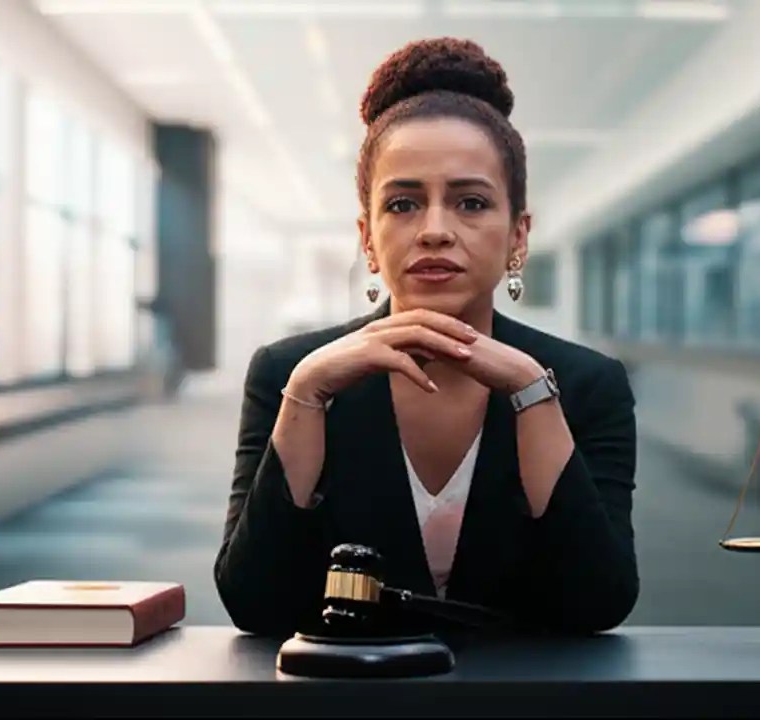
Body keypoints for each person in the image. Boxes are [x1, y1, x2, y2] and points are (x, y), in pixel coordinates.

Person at [214, 37, 638, 637]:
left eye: (470, 202)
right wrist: (304, 394)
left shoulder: (586, 384)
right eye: (404, 204)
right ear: (368, 236)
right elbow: (255, 606)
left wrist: (530, 392)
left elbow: (598, 604)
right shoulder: (290, 372)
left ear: (519, 237)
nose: (435, 231)